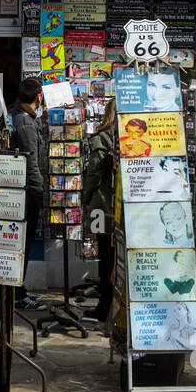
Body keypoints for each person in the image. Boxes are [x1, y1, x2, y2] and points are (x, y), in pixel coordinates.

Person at [8, 77, 47, 311]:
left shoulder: (18, 116)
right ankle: (17, 294)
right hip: (25, 195)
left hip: (22, 193)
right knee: (23, 243)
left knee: (21, 244)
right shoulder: (25, 121)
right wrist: (39, 194)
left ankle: (18, 290)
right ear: (38, 97)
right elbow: (31, 162)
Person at [81, 98, 116, 325]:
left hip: (103, 208)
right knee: (115, 259)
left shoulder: (102, 138)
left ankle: (104, 307)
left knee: (106, 257)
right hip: (123, 208)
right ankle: (110, 306)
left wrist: (84, 197)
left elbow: (93, 173)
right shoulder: (129, 138)